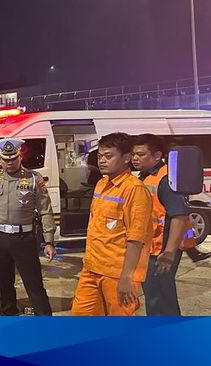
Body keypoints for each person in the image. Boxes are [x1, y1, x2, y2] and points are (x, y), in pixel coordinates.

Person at [0, 138, 56, 316]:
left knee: (33, 284)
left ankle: (45, 323)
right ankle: (9, 317)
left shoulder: (34, 179)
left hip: (24, 239)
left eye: (13, 158)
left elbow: (45, 211)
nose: (10, 163)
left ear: (20, 157)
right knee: (3, 283)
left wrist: (49, 241)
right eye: (5, 159)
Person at [71, 133, 152, 316]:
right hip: (92, 267)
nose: (102, 161)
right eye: (100, 156)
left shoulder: (134, 190)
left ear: (126, 158)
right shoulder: (101, 184)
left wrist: (127, 277)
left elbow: (136, 238)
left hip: (117, 273)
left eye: (108, 156)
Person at [132, 134, 209, 315]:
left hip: (160, 250)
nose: (135, 158)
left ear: (157, 156)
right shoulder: (146, 176)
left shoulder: (166, 180)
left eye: (141, 154)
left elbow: (179, 217)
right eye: (134, 154)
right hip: (150, 247)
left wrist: (169, 252)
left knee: (159, 300)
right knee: (156, 296)